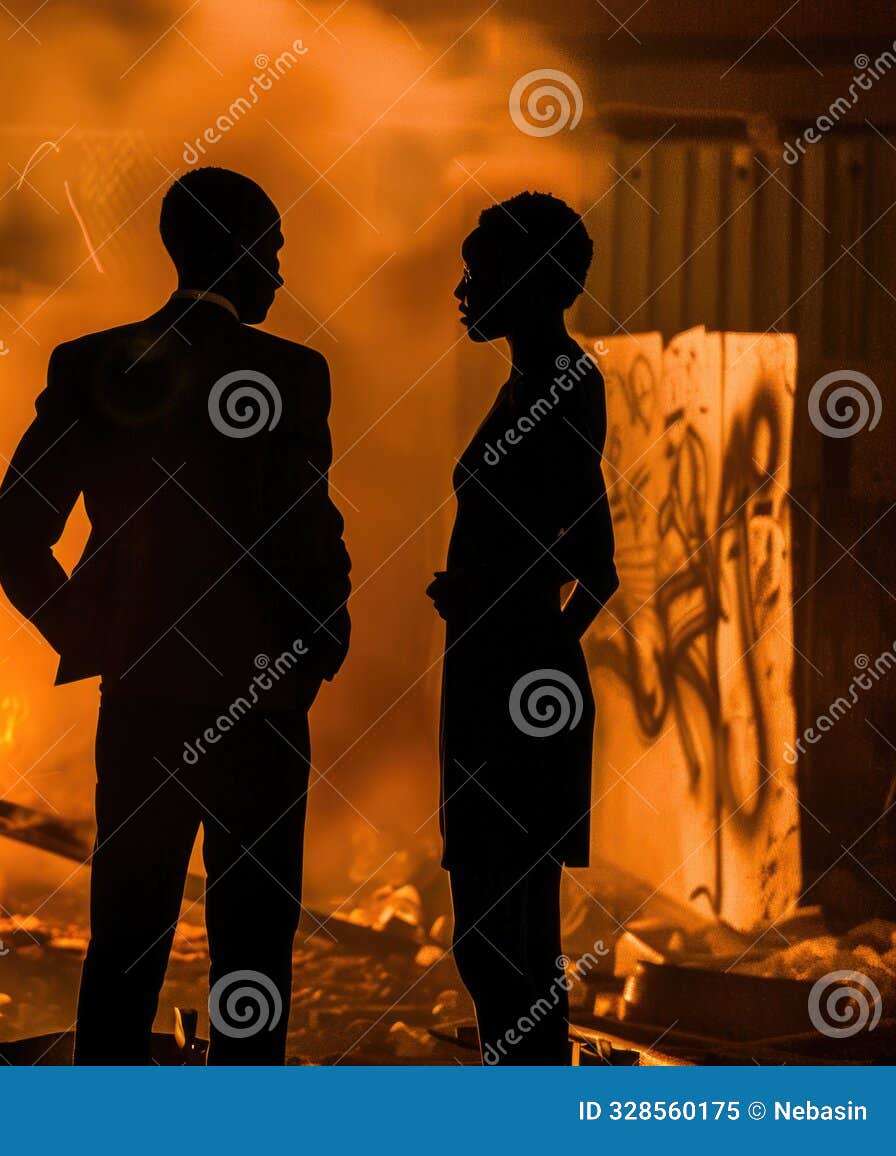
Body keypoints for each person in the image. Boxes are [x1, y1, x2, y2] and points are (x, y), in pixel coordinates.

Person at [0, 167, 350, 1064]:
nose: (277, 274)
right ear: (237, 254)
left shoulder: (95, 365)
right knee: (253, 953)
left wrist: (87, 632)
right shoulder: (294, 375)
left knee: (127, 936)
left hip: (144, 697)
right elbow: (312, 539)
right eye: (270, 251)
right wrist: (317, 650)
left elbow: (15, 533)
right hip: (263, 706)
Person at [429, 192, 618, 1065]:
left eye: (482, 271)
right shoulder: (532, 381)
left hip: (511, 694)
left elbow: (597, 564)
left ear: (532, 282)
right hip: (495, 677)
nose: (464, 288)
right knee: (493, 938)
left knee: (507, 942)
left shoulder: (559, 385)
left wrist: (527, 647)